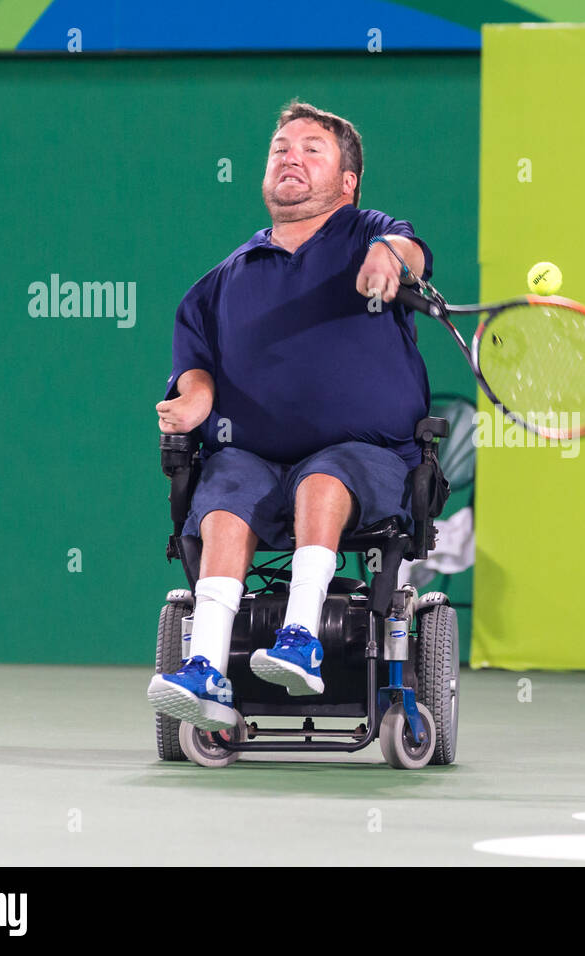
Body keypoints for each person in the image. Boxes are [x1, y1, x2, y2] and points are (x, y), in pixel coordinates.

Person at [147, 100, 432, 731]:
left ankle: (300, 637)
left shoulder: (369, 235)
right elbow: (194, 363)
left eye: (311, 148)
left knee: (324, 476)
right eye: (281, 148)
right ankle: (205, 671)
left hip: (370, 461)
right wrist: (194, 395)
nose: (290, 157)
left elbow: (408, 249)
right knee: (223, 489)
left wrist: (390, 256)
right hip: (255, 461)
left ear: (347, 182)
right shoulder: (218, 283)